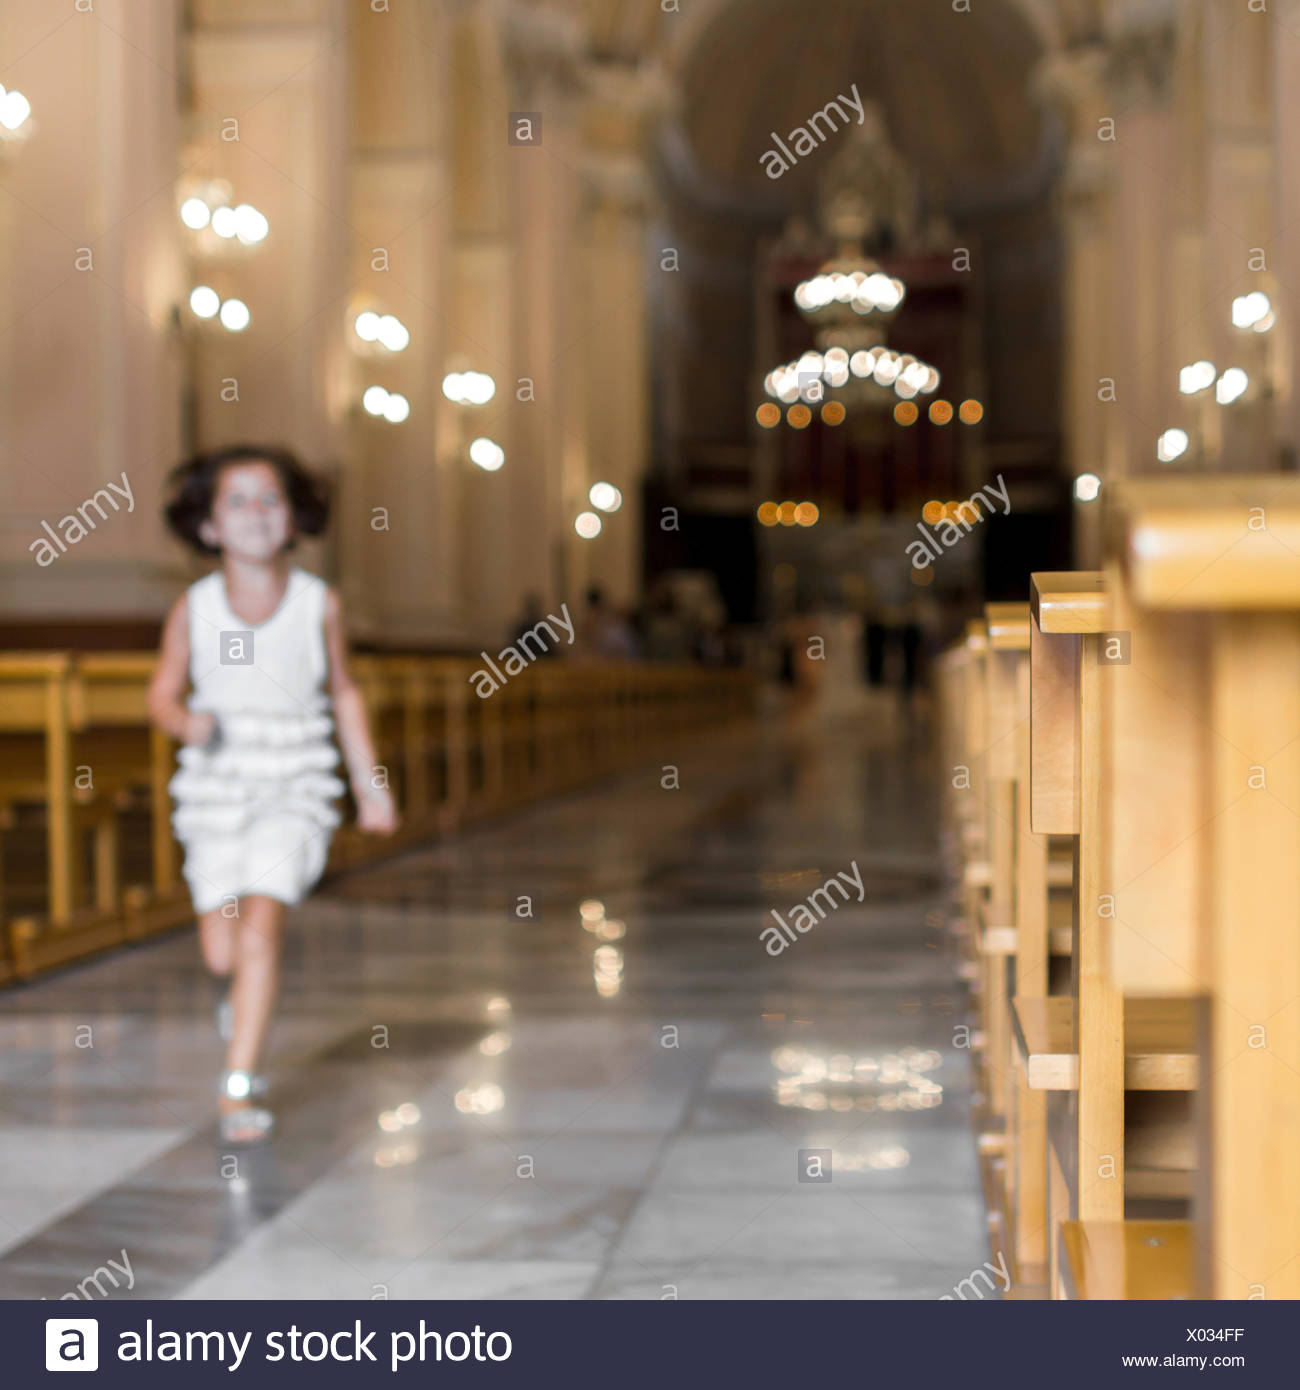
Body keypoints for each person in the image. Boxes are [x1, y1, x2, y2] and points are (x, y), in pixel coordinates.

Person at [147, 444, 398, 1146]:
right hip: (219, 784)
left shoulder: (319, 604)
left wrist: (370, 785)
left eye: (270, 499)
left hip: (294, 780)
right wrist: (184, 720)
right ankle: (241, 1007)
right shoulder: (194, 609)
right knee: (222, 954)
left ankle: (238, 1083)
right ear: (208, 527)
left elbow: (344, 694)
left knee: (261, 931)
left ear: (293, 520)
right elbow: (161, 694)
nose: (255, 514)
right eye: (237, 501)